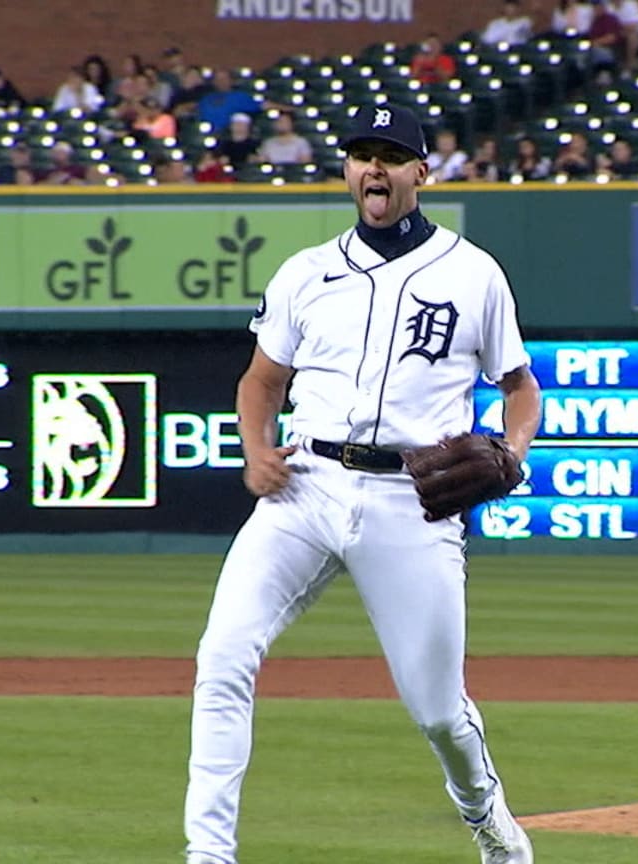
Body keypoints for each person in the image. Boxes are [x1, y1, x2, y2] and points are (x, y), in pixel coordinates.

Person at [183, 101, 541, 864]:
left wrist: (513, 453)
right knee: (223, 656)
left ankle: (489, 821)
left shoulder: (473, 273)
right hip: (305, 486)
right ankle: (208, 855)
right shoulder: (305, 272)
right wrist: (255, 451)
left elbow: (520, 387)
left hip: (411, 500)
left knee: (438, 712)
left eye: (390, 155)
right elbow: (261, 381)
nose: (374, 168)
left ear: (421, 172)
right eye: (361, 155)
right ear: (348, 171)